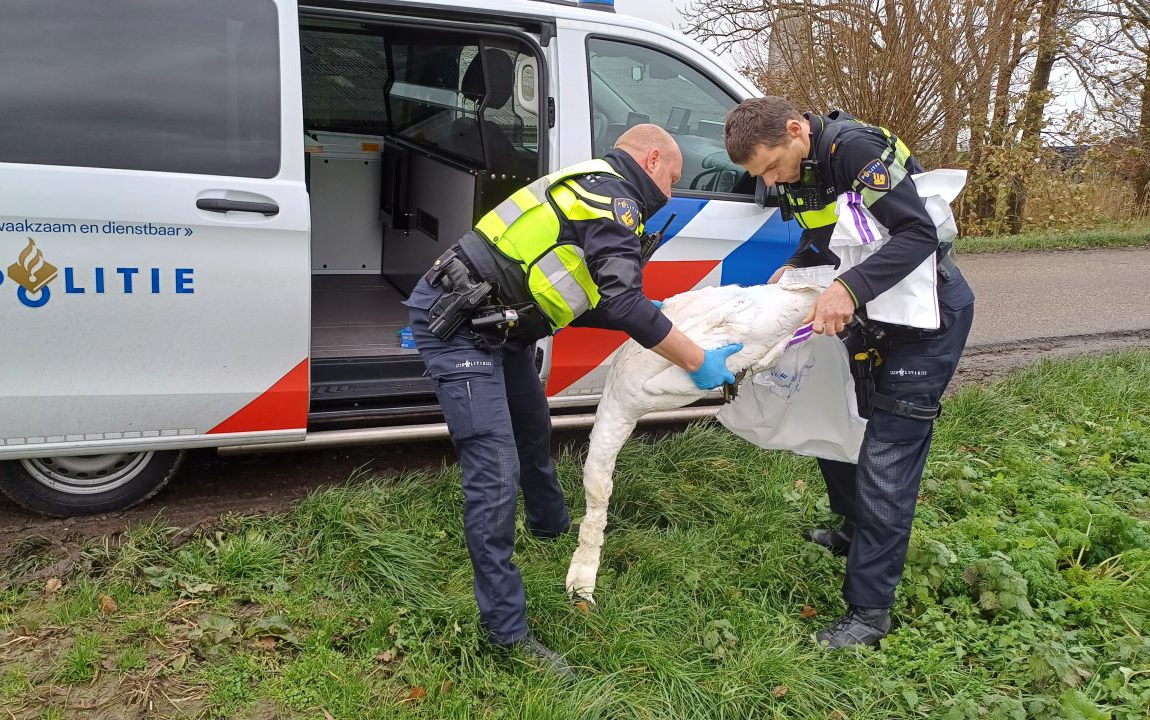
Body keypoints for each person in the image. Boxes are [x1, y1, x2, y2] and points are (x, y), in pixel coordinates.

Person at [405, 124, 744, 676]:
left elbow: (587, 300)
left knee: (533, 427)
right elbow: (625, 304)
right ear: (651, 159)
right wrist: (695, 359)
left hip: (501, 325)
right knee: (494, 469)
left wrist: (662, 319)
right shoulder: (613, 199)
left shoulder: (594, 187)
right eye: (673, 179)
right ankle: (506, 632)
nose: (670, 192)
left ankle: (550, 527)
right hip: (458, 325)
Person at [724, 97, 975, 649]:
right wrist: (795, 266)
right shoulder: (802, 169)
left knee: (887, 454)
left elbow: (917, 234)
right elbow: (824, 232)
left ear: (797, 130)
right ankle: (854, 529)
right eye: (761, 175)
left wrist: (847, 289)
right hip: (872, 316)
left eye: (771, 167)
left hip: (925, 320)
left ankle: (869, 612)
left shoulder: (856, 151)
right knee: (835, 418)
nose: (770, 182)